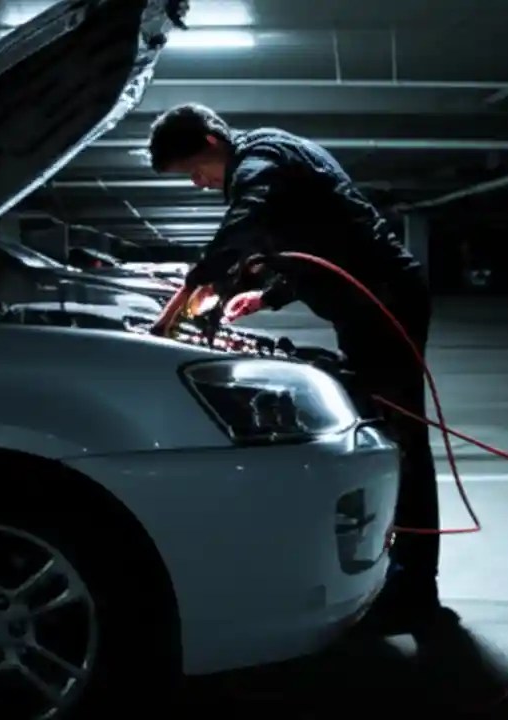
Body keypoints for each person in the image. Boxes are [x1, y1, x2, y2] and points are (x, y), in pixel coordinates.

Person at [146, 103, 450, 638]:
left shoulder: (258, 159)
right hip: (367, 302)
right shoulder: (278, 157)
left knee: (405, 438)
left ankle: (417, 590)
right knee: (384, 431)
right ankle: (398, 569)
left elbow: (247, 218)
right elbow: (317, 244)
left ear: (214, 141)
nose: (199, 185)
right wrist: (264, 298)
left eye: (196, 171)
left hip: (383, 302)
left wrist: (199, 283)